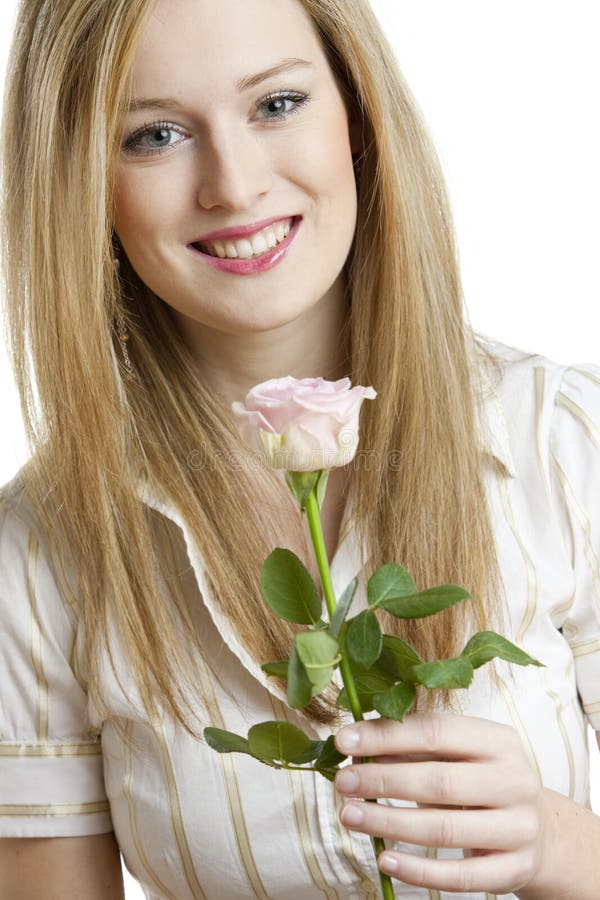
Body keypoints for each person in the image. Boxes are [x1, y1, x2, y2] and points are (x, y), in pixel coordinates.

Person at [0, 0, 599, 897]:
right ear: (81, 176)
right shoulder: (40, 553)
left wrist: (557, 845)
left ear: (356, 113)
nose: (234, 187)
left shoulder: (562, 442)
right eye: (155, 135)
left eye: (276, 104)